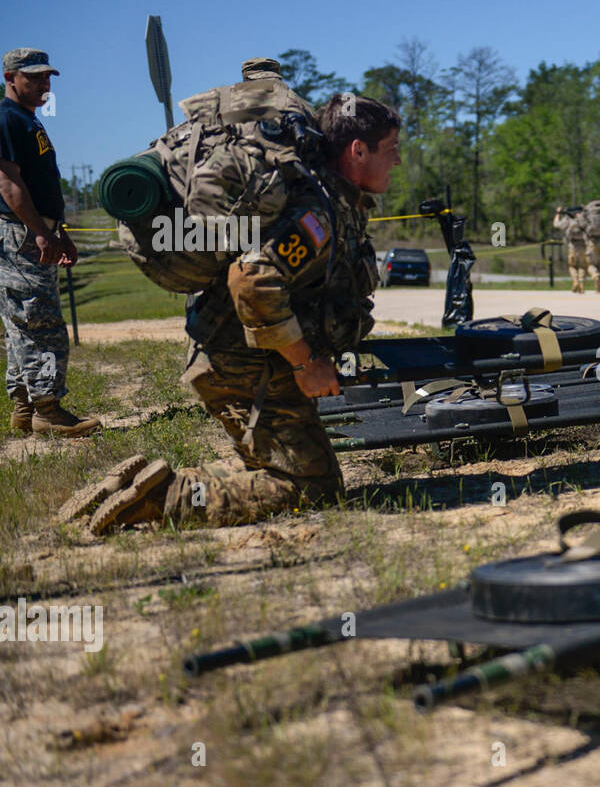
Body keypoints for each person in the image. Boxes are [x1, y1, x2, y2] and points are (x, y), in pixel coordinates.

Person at [64, 75, 401, 533]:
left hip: (246, 365)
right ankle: (165, 498)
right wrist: (305, 365)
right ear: (358, 150)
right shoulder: (317, 214)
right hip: (246, 371)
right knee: (311, 486)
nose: (398, 160)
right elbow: (252, 281)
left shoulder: (330, 200)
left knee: (281, 469)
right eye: (391, 148)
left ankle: (130, 483)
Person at [0, 48, 100, 437]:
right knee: (41, 323)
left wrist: (60, 232)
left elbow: (39, 187)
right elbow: (9, 184)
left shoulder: (28, 120)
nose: (45, 84)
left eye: (48, 78)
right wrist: (40, 232)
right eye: (35, 77)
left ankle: (24, 408)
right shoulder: (7, 118)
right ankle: (48, 411)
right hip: (21, 233)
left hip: (35, 231)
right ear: (10, 77)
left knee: (21, 322)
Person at [553, 205, 588, 293]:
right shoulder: (584, 219)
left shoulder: (568, 219)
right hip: (583, 245)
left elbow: (556, 225)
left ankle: (575, 281)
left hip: (572, 246)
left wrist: (558, 213)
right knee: (583, 266)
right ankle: (581, 283)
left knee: (572, 266)